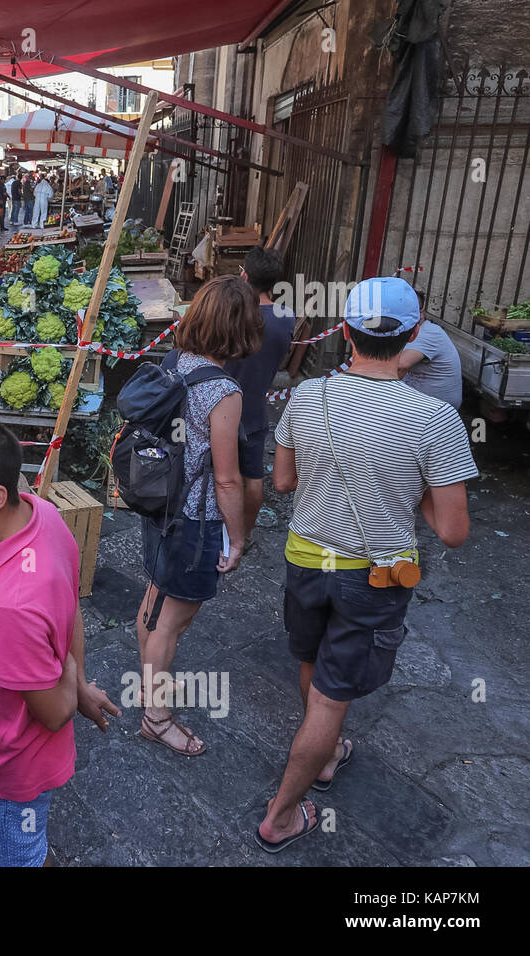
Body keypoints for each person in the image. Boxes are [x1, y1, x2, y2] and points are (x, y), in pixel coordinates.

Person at [256, 277, 477, 853]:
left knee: (309, 658)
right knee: (333, 697)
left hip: (305, 560)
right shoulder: (434, 419)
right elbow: (453, 532)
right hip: (373, 576)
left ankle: (324, 753)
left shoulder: (306, 397)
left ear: (346, 332)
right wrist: (406, 488)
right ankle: (281, 815)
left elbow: (282, 481)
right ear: (412, 332)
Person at [0, 416, 120, 866]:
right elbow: (70, 613)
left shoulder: (12, 605)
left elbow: (55, 713)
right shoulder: (42, 515)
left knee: (20, 857)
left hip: (6, 765)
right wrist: (79, 678)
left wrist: (69, 681)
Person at [137, 275, 263, 757]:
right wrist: (237, 539)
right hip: (195, 519)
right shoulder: (224, 391)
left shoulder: (174, 363)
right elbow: (229, 480)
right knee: (174, 620)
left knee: (154, 604)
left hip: (161, 506)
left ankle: (148, 688)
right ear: (242, 329)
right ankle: (157, 717)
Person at [224, 246, 299, 549]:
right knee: (252, 475)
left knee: (219, 472)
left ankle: (217, 529)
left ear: (244, 275)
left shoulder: (233, 313)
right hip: (255, 405)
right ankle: (244, 535)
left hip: (221, 403)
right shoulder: (286, 317)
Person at [398, 316, 463, 409]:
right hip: (422, 399)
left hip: (435, 407)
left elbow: (400, 366)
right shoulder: (410, 331)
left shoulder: (429, 332)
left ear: (420, 312)